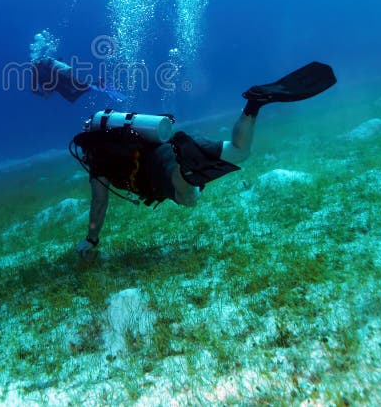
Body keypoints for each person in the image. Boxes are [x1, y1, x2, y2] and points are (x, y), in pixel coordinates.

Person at [71, 62, 336, 260]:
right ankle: (253, 105)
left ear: (88, 140)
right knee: (239, 152)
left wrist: (91, 239)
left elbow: (99, 202)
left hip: (163, 167)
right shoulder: (129, 132)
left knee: (190, 199)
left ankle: (185, 170)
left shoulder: (98, 156)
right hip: (173, 142)